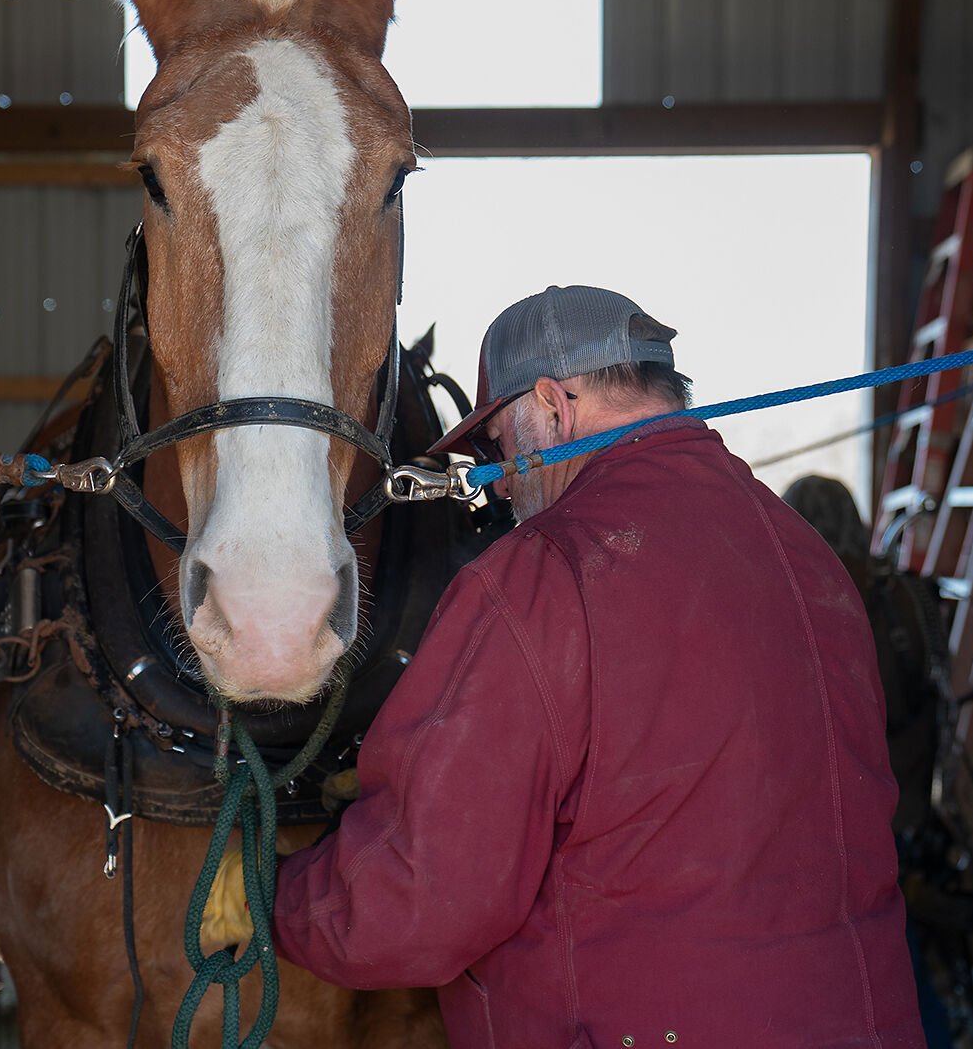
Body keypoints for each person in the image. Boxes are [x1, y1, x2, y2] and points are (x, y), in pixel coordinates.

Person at [267, 285, 926, 1047]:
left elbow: (427, 897)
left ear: (553, 406)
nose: (502, 479)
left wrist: (274, 895)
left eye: (499, 447)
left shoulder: (546, 574)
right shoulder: (808, 556)